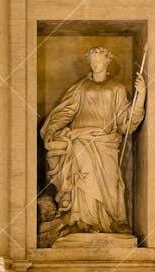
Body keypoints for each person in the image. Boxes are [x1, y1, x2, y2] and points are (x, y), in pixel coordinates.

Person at [41, 47, 145, 236]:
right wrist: (52, 129)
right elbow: (67, 111)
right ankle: (81, 221)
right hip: (81, 139)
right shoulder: (80, 87)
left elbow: (126, 123)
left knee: (111, 184)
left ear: (107, 63)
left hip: (106, 143)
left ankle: (110, 221)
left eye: (99, 61)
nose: (95, 65)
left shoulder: (117, 89)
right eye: (92, 61)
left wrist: (141, 96)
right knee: (83, 180)